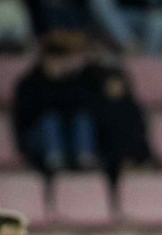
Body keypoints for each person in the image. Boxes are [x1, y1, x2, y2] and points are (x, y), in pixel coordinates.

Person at [11, 39, 98, 174]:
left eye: (60, 60)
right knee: (50, 120)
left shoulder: (75, 83)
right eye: (53, 59)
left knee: (82, 119)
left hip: (68, 136)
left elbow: (85, 108)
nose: (56, 64)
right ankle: (55, 160)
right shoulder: (29, 83)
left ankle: (85, 158)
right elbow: (26, 117)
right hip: (38, 137)